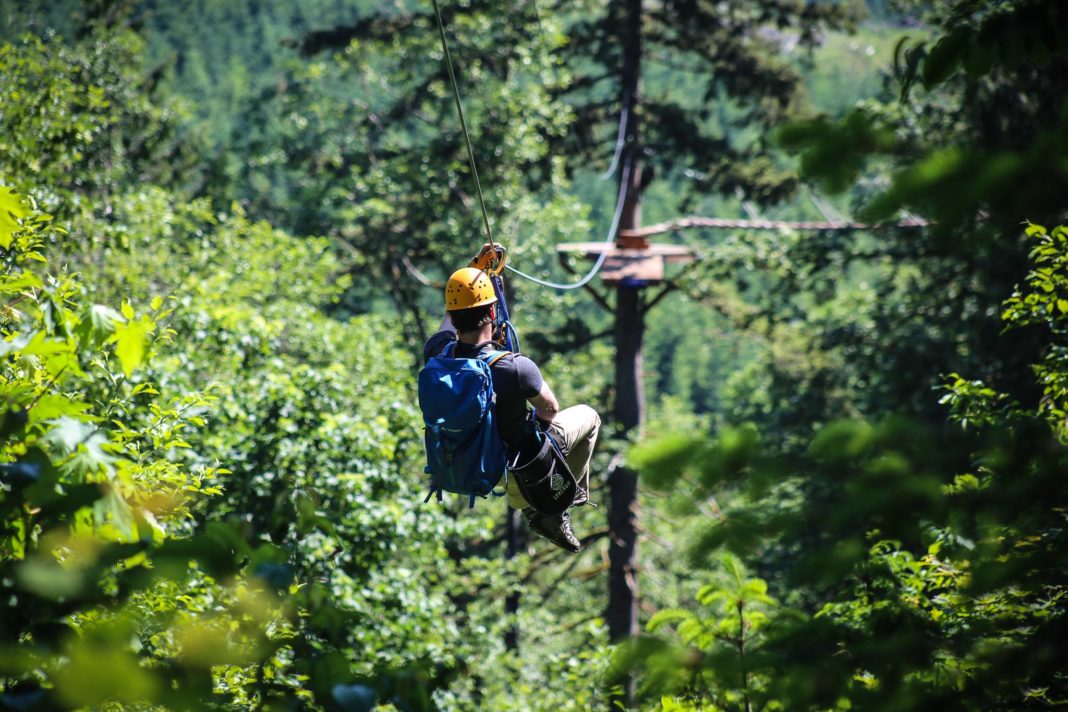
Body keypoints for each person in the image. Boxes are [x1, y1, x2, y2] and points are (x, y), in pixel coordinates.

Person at [422, 266, 600, 552]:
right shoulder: (514, 367)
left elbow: (446, 324)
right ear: (493, 314)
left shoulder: (438, 353)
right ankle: (555, 507)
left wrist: (475, 268)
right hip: (526, 479)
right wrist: (537, 437)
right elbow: (550, 408)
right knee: (590, 417)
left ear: (454, 318)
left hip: (474, 468)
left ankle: (550, 504)